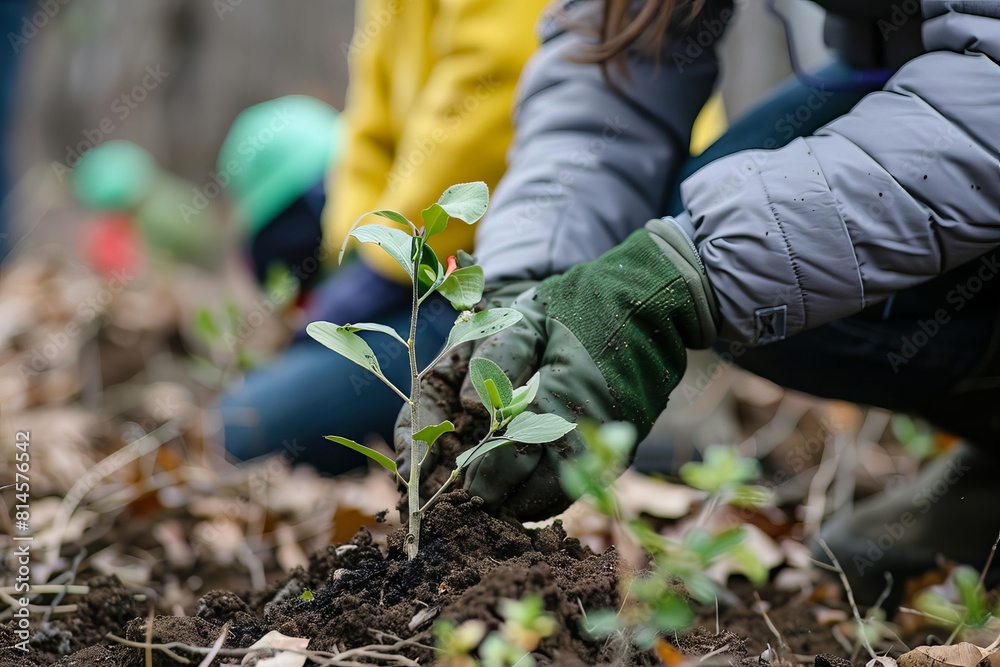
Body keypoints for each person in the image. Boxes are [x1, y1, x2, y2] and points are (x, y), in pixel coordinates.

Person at [399, 0, 1000, 604]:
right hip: (925, 75)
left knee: (741, 254)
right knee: (719, 216)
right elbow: (612, 73)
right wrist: (527, 289)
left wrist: (678, 278)